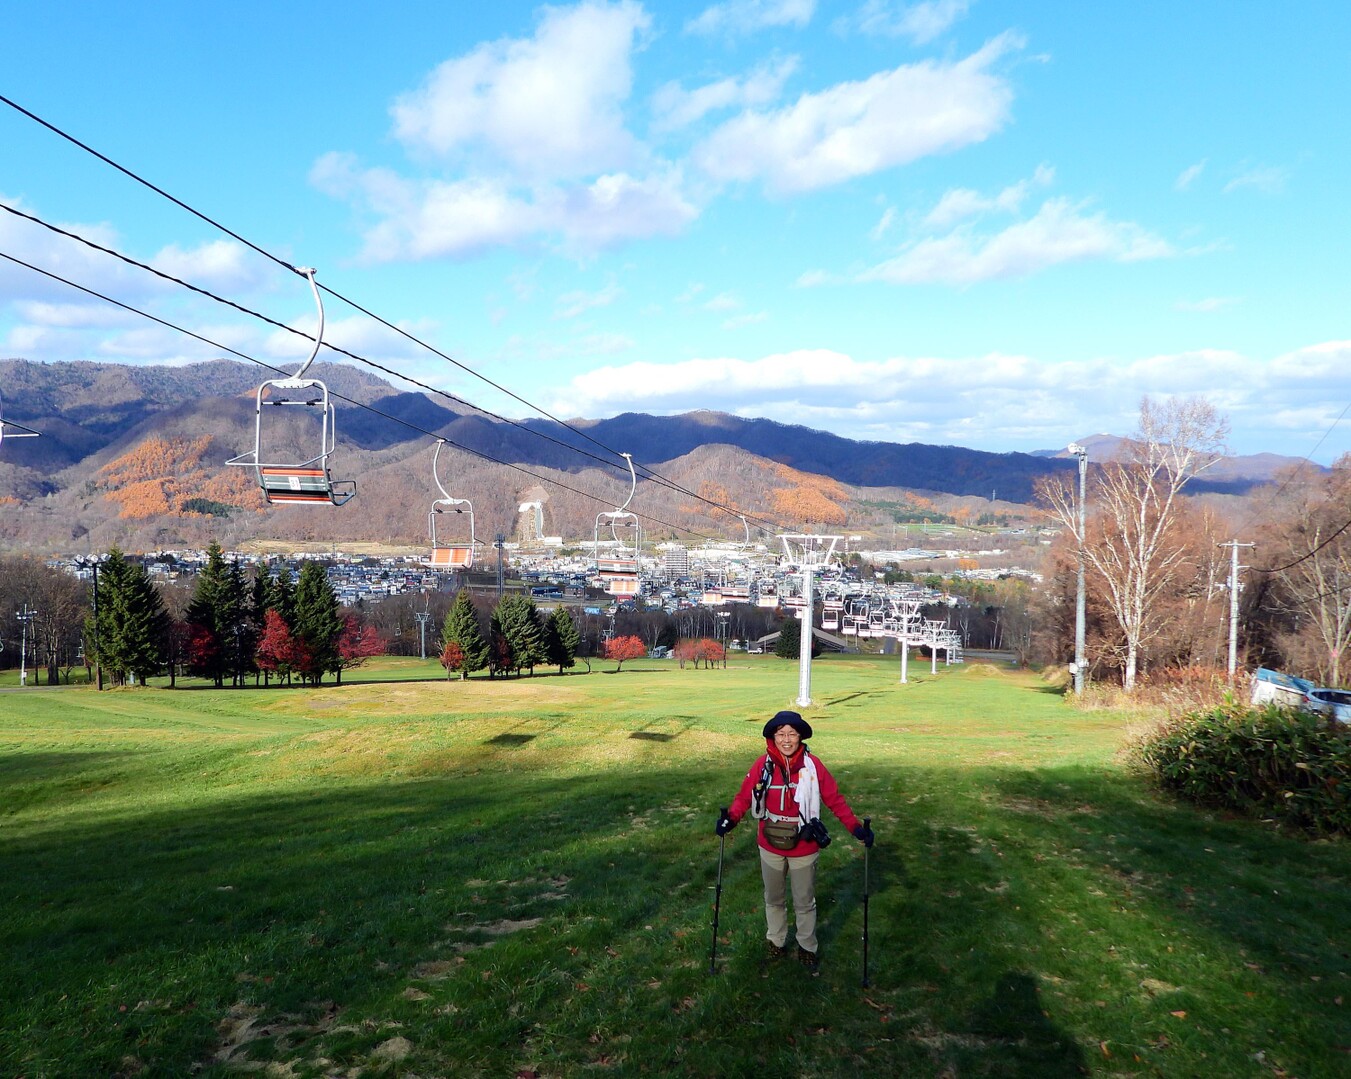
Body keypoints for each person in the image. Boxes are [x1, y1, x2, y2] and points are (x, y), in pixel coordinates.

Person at [715, 710, 874, 973]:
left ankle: (807, 946)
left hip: (804, 844)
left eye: (792, 733)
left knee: (804, 900)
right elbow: (744, 797)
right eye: (781, 734)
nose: (786, 740)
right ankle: (776, 940)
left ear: (800, 736)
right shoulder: (761, 766)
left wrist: (856, 829)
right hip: (769, 845)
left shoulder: (814, 766)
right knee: (774, 898)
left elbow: (835, 800)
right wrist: (730, 819)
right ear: (772, 737)